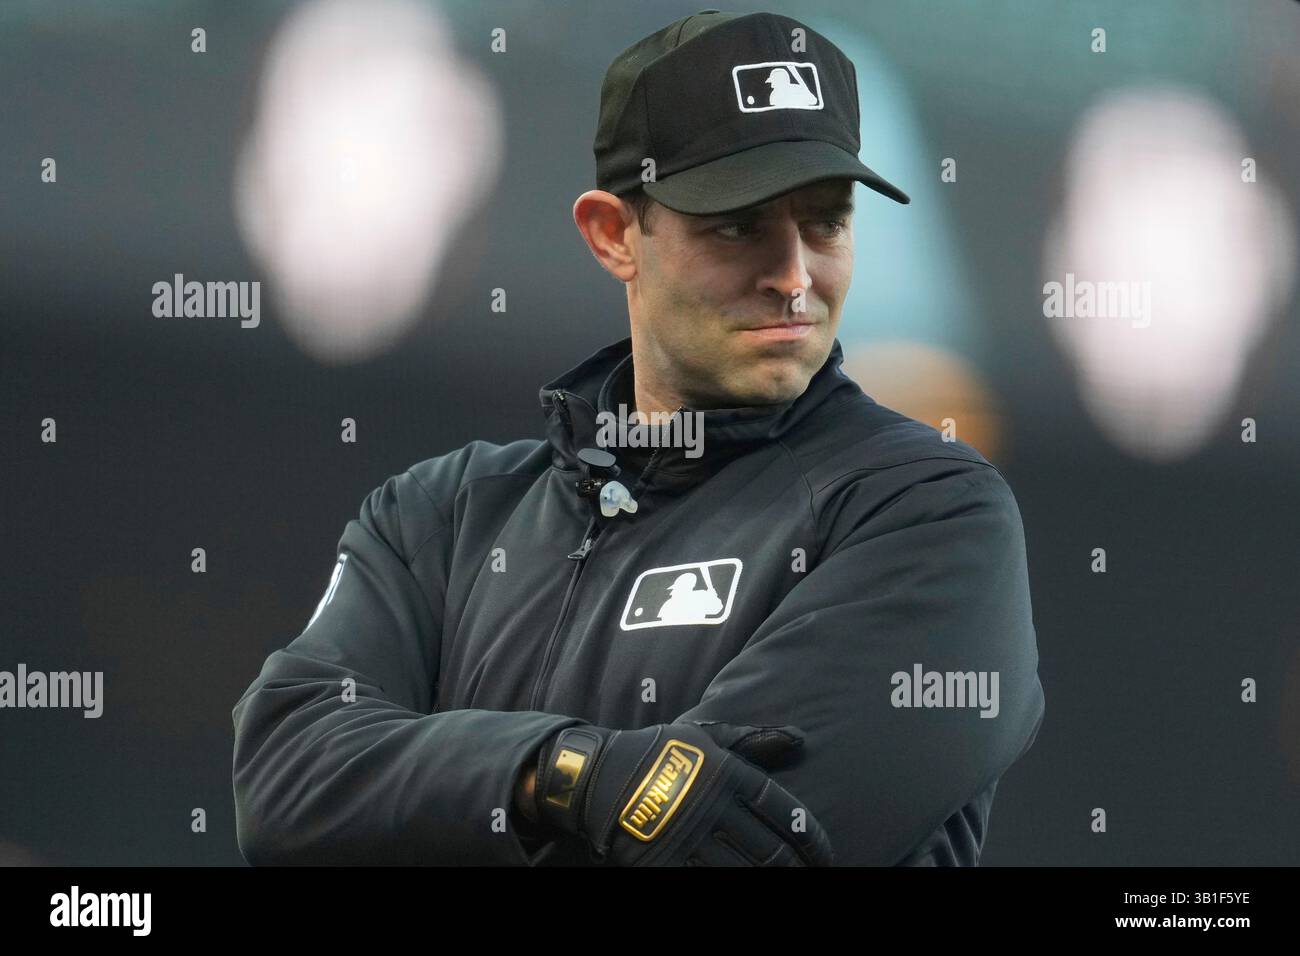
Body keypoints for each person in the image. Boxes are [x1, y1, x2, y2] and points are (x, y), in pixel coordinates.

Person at [231, 9, 1045, 866]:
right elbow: (285, 786)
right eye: (738, 224)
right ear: (613, 234)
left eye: (826, 222)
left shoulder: (927, 515)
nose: (794, 276)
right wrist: (565, 775)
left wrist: (457, 794)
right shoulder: (442, 518)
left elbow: (715, 848)